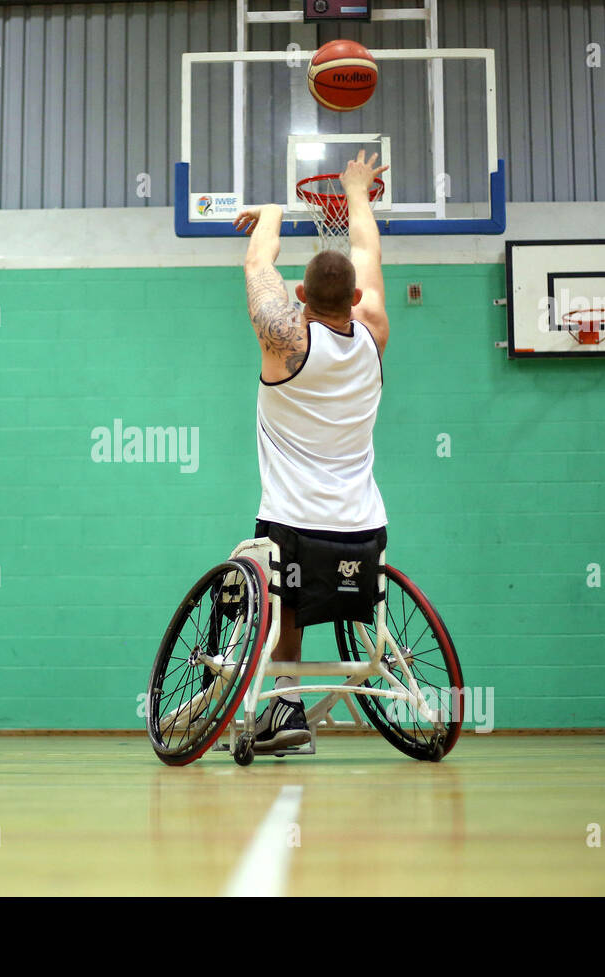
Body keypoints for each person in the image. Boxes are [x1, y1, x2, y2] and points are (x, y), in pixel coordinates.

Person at [232, 150, 390, 751]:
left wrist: (272, 212)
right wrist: (355, 190)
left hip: (293, 529)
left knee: (276, 586)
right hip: (365, 533)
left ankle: (287, 706)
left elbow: (256, 262)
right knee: (318, 577)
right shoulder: (374, 333)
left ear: (300, 294)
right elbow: (369, 254)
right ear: (354, 299)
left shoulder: (284, 339)